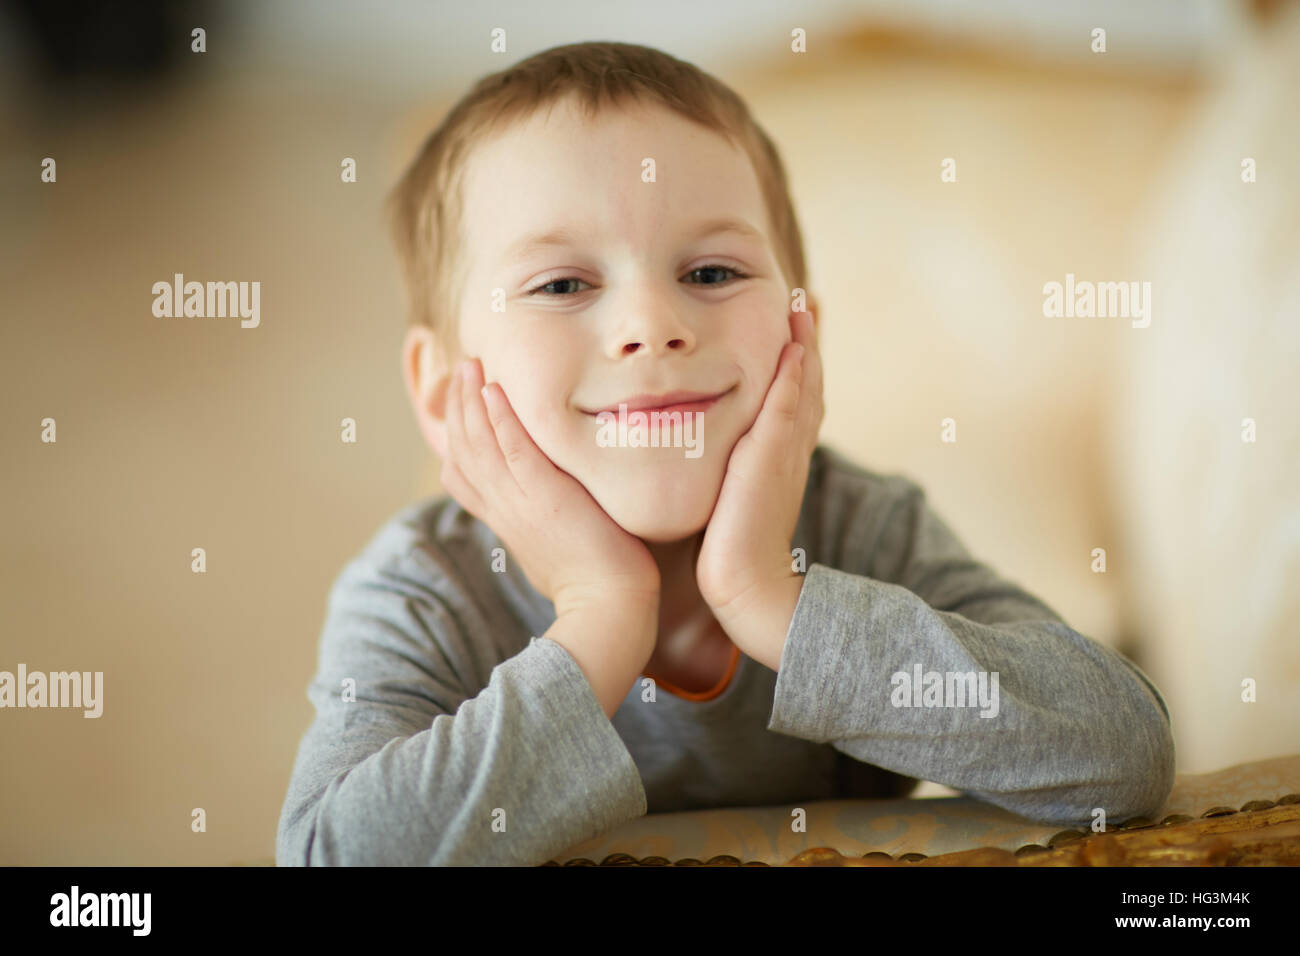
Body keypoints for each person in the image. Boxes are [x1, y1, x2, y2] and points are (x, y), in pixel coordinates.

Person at [276, 41, 1174, 866]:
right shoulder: (422, 587)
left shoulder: (860, 527)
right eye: (561, 284)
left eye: (710, 273)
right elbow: (334, 854)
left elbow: (1122, 754)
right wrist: (601, 615)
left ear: (800, 337)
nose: (653, 327)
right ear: (443, 392)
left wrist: (767, 598)